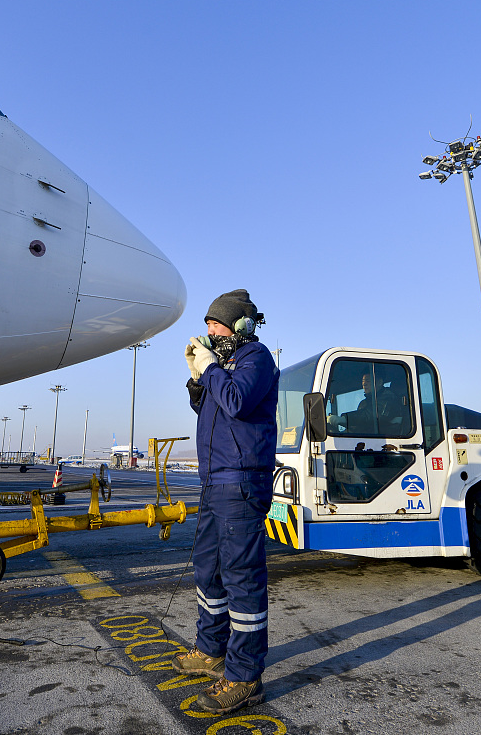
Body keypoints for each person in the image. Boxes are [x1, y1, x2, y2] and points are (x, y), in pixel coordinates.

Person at [174, 289, 279, 715]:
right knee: (208, 567)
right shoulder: (226, 366)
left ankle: (244, 676)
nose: (209, 332)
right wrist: (197, 377)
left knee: (241, 576)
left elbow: (235, 403)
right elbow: (207, 405)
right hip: (214, 480)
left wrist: (212, 368)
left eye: (215, 325)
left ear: (239, 325)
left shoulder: (257, 358)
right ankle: (211, 649)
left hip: (241, 482)